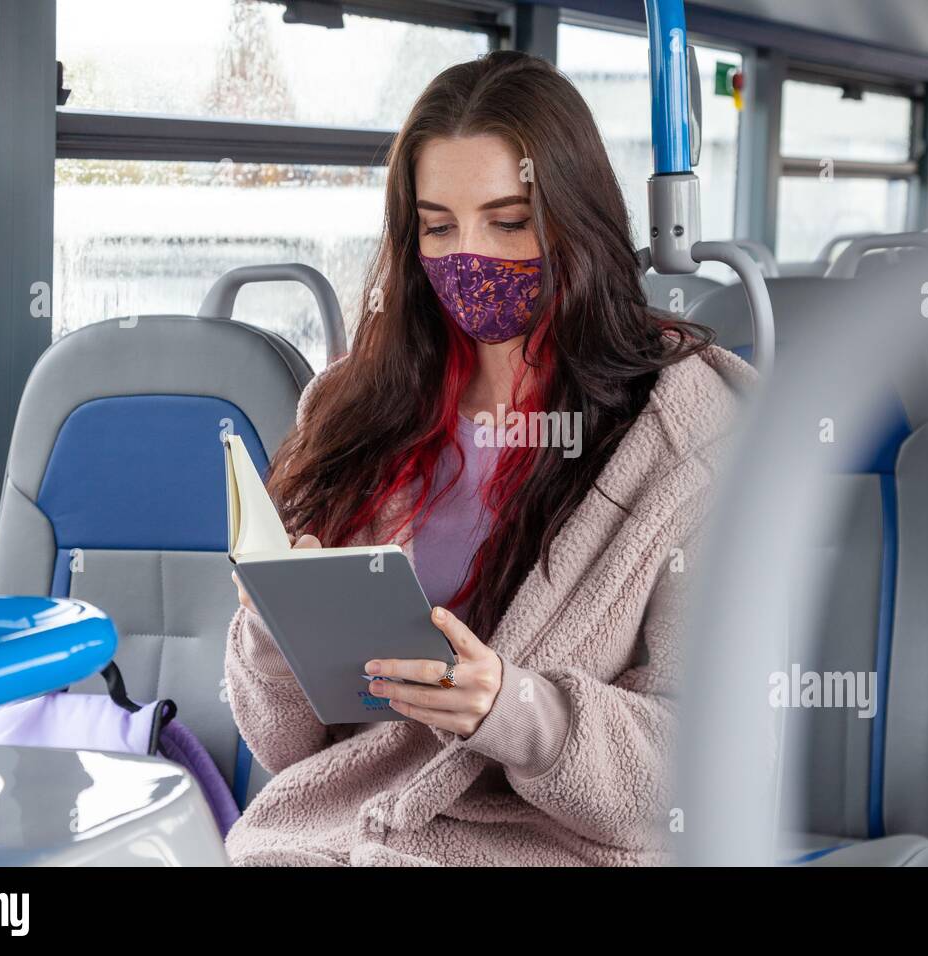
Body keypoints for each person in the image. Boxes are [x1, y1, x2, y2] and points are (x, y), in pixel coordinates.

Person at [224, 49, 753, 866]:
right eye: (439, 226)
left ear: (578, 222)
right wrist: (273, 624)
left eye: (508, 222)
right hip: (336, 840)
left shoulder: (686, 441)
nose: (470, 256)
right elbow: (291, 751)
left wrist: (512, 709)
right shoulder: (353, 412)